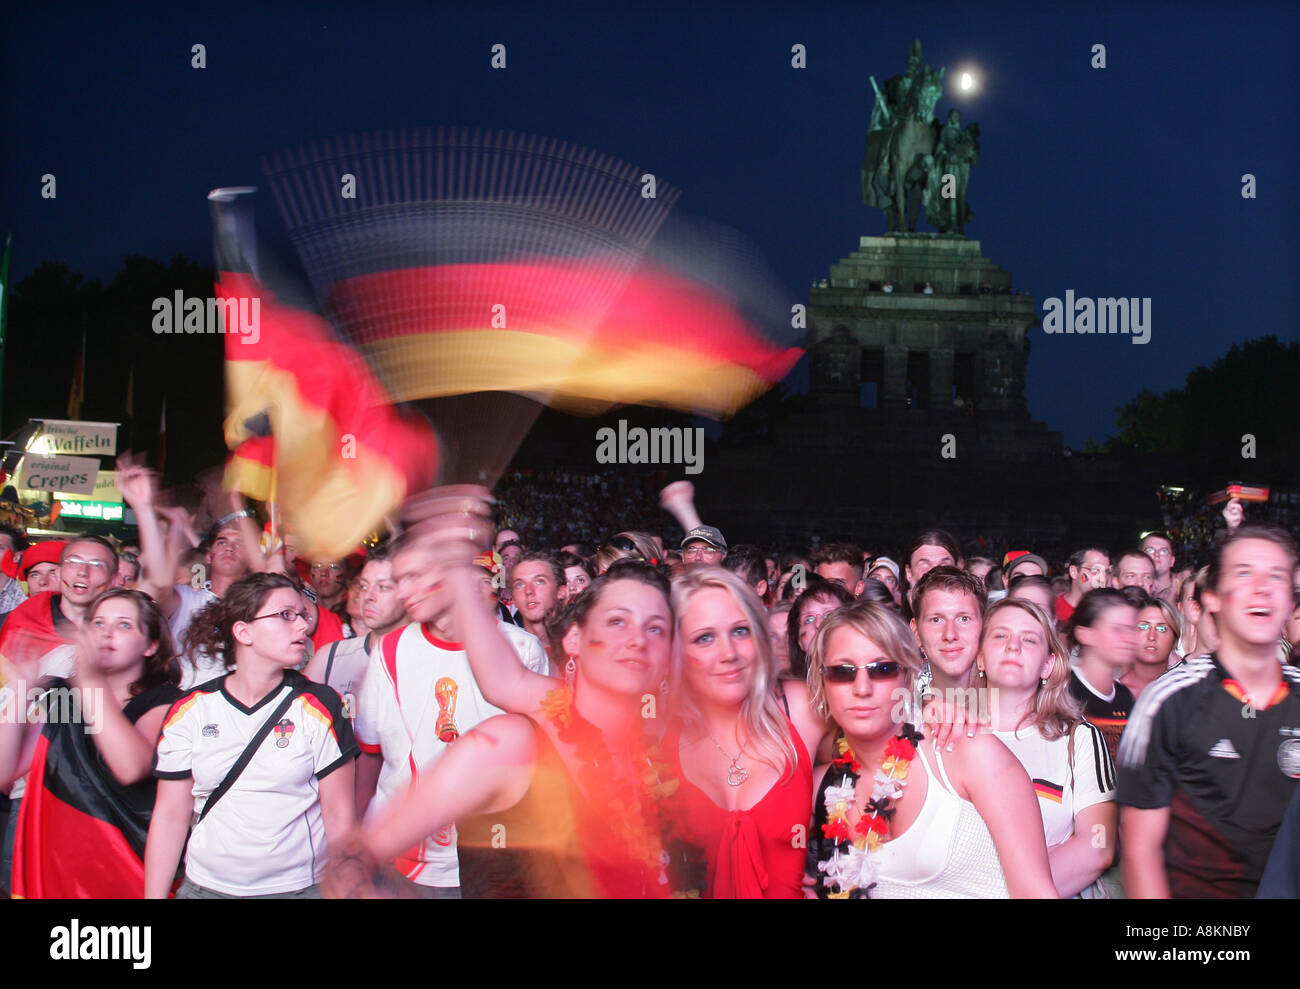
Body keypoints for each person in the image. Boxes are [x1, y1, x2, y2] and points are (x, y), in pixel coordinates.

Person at [340, 536, 692, 898]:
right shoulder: (513, 741)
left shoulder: (659, 746)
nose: (638, 640)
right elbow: (363, 855)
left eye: (656, 628)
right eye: (618, 621)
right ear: (574, 640)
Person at [806, 602, 1057, 898]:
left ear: (907, 675)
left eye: (882, 669)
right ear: (822, 683)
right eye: (842, 672)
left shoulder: (968, 752)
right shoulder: (821, 789)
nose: (862, 687)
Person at [351, 532, 549, 898]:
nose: (404, 591)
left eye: (416, 578)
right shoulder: (390, 649)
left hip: (491, 856)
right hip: (403, 857)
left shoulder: (522, 649)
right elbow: (370, 751)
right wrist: (359, 836)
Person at [145, 572, 358, 898]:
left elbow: (340, 818)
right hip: (204, 889)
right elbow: (171, 817)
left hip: (297, 890)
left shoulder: (320, 705)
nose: (303, 625)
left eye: (301, 615)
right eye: (285, 615)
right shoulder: (191, 710)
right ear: (243, 632)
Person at [1119, 523, 1300, 898]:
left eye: (1277, 576)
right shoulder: (1167, 700)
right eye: (1245, 573)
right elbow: (1140, 850)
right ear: (1213, 598)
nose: (1262, 588)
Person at [2, 589, 181, 897]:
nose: (106, 633)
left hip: (128, 863)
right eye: (97, 624)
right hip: (61, 861)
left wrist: (87, 679)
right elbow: (5, 773)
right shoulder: (64, 696)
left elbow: (130, 768)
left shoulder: (169, 701)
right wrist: (22, 689)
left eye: (123, 625)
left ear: (151, 645)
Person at [976, 598, 1117, 897]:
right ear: (979, 658)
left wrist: (992, 892)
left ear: (1048, 664)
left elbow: (1098, 846)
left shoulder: (1080, 739)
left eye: (1029, 639)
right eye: (1000, 635)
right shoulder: (946, 734)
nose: (1013, 646)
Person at [304, 546, 406, 733]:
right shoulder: (331, 657)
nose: (367, 596)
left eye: (382, 587)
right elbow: (300, 727)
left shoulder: (432, 657)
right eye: (363, 586)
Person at [1064, 589, 1138, 763]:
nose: (1129, 638)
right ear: (1084, 634)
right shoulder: (1062, 691)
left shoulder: (1124, 696)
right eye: (1117, 630)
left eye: (1132, 629)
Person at [909, 566, 984, 704]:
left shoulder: (1013, 707)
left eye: (964, 619)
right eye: (936, 620)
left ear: (984, 626)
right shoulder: (902, 711)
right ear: (916, 632)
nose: (950, 635)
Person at [785, 575, 854, 679]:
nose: (818, 624)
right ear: (800, 642)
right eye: (809, 619)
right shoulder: (791, 693)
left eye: (829, 615)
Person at [1121, 596, 1183, 699]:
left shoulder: (1188, 691)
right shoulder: (1113, 693)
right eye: (1143, 627)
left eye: (1162, 628)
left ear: (1174, 639)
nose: (1152, 637)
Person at [1141, 532, 1178, 604]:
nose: (1156, 555)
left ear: (1172, 561)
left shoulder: (1185, 591)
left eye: (1163, 551)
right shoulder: (1129, 591)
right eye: (1150, 550)